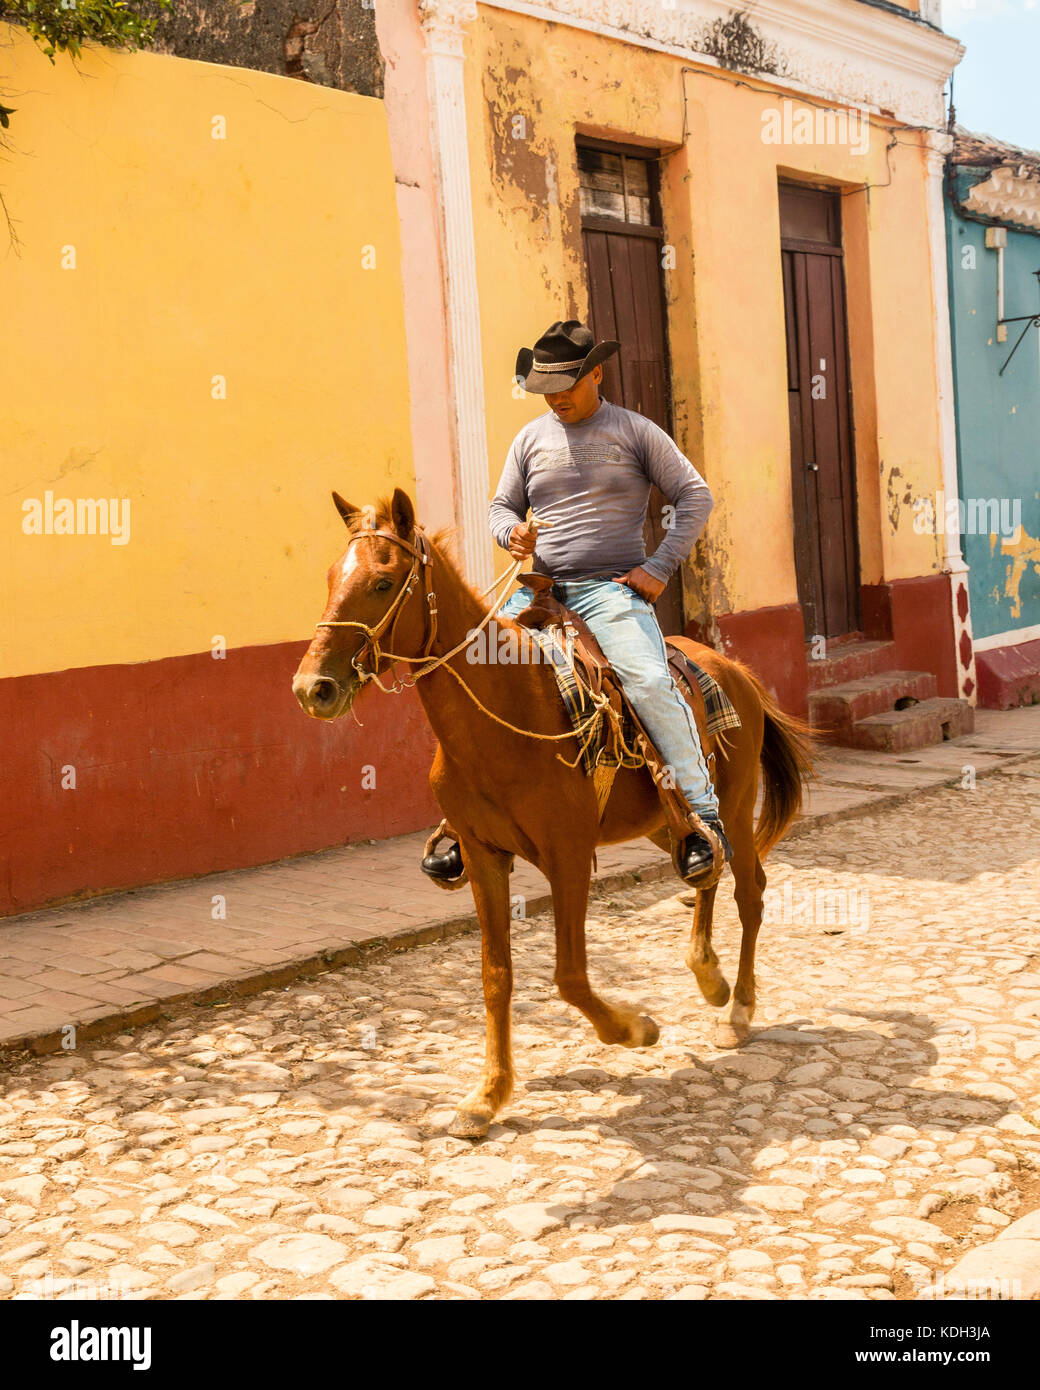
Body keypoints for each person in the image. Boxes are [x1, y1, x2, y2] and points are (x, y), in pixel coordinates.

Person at [421, 318, 731, 884]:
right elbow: (499, 508)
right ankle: (464, 817)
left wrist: (658, 568)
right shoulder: (529, 440)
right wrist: (509, 533)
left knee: (647, 681)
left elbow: (695, 494)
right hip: (537, 593)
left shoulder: (636, 432)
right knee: (474, 675)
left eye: (566, 383)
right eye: (545, 388)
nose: (555, 397)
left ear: (597, 374)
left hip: (610, 594)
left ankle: (701, 818)